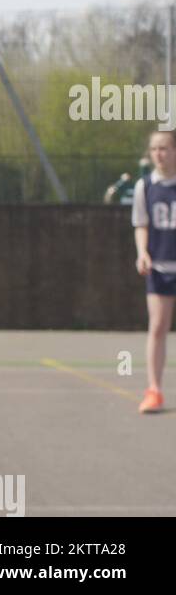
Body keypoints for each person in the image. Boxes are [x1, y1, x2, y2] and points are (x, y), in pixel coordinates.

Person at [132, 129, 176, 414]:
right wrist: (143, 252)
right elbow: (141, 224)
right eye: (154, 149)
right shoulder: (144, 186)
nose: (159, 154)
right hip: (160, 266)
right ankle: (154, 390)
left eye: (164, 148)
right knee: (158, 328)